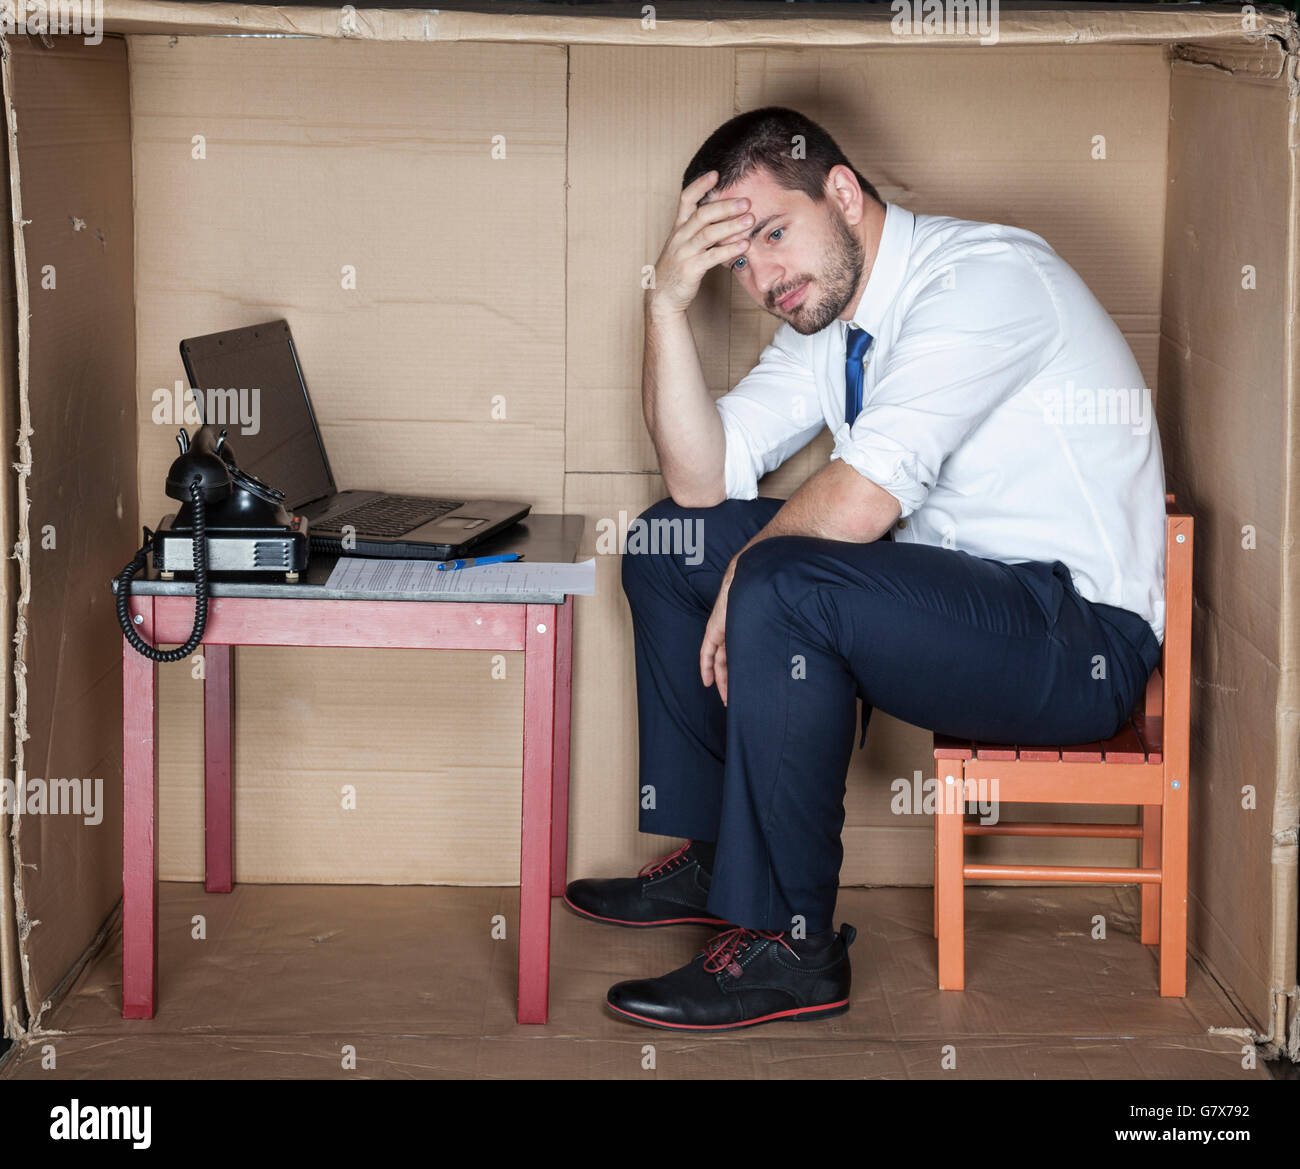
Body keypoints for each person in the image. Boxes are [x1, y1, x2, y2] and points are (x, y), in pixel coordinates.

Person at [565, 106, 1166, 1032]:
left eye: (772, 233)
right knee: (667, 547)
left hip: (1076, 641)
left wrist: (750, 576)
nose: (762, 278)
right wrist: (664, 304)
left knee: (777, 580)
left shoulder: (982, 281)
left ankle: (793, 948)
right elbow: (699, 479)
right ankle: (720, 850)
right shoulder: (830, 325)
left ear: (841, 192)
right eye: (737, 261)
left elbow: (865, 499)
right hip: (958, 601)